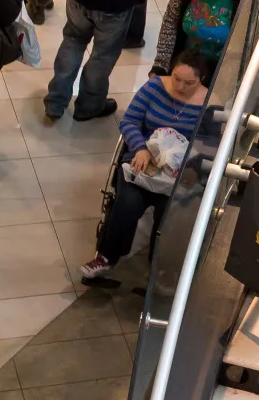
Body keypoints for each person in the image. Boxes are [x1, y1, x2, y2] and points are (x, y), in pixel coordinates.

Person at [77, 47, 213, 284]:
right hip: (143, 156)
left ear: (201, 80)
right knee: (127, 202)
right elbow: (130, 120)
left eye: (188, 83)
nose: (180, 87)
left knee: (170, 213)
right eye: (176, 78)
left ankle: (159, 266)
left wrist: (192, 166)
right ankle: (108, 256)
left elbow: (211, 144)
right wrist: (140, 147)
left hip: (180, 167)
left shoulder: (209, 103)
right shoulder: (154, 88)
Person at [153, 0, 244, 77]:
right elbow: (170, 21)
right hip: (184, 64)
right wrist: (161, 64)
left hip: (219, 71)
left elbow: (244, 40)